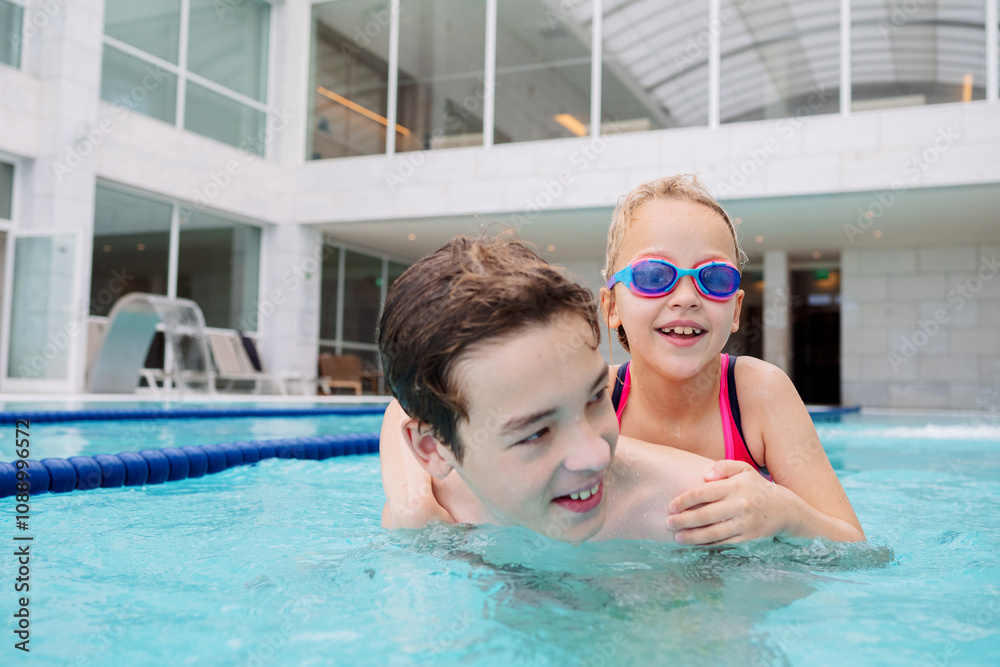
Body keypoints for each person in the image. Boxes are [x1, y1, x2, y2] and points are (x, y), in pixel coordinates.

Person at [378, 235, 716, 543]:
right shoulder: (425, 517)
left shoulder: (700, 516)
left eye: (596, 397)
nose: (596, 456)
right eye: (536, 433)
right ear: (432, 449)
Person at [599, 175, 864, 543]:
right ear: (612, 306)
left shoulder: (759, 394)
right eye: (654, 275)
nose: (687, 297)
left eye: (715, 278)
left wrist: (783, 511)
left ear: (736, 309)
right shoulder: (592, 399)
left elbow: (857, 550)